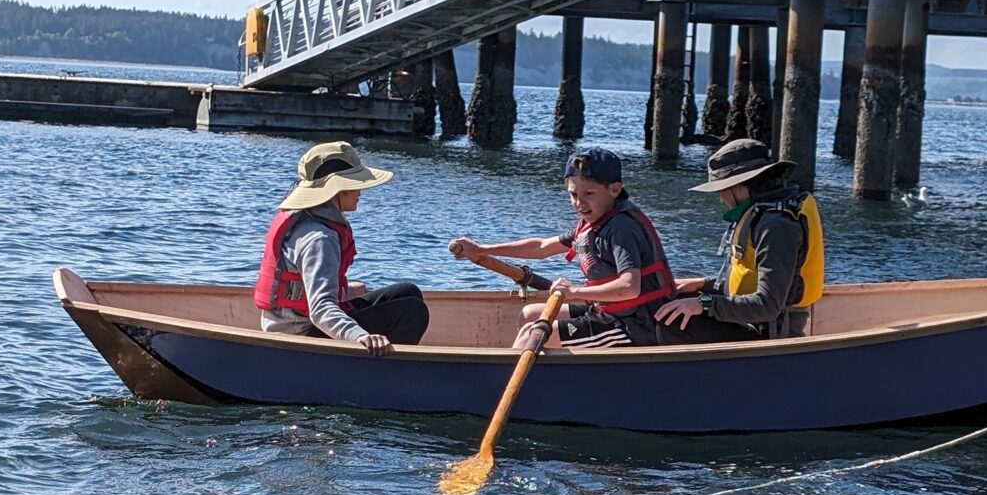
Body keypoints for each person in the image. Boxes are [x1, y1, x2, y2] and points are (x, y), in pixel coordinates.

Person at [448, 147, 676, 350]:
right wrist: (483, 250)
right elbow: (541, 247)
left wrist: (573, 292)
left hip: (636, 325)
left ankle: (509, 383)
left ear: (615, 190)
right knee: (530, 315)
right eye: (573, 194)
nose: (579, 203)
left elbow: (629, 288)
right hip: (609, 312)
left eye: (589, 194)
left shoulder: (621, 228)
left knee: (531, 335)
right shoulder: (593, 224)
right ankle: (544, 379)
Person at [254, 141, 429, 356]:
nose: (360, 192)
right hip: (299, 335)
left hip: (296, 321)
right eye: (355, 184)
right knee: (412, 312)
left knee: (407, 292)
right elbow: (320, 310)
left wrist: (346, 291)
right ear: (338, 189)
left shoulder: (310, 219)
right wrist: (360, 336)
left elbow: (306, 291)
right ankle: (380, 376)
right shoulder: (320, 238)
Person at [654, 138, 824, 344]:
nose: (720, 199)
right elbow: (751, 282)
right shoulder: (764, 215)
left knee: (661, 326)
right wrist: (704, 285)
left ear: (740, 186)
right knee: (666, 305)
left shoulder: (777, 227)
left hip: (768, 334)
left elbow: (768, 305)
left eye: (721, 190)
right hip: (750, 323)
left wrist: (705, 303)